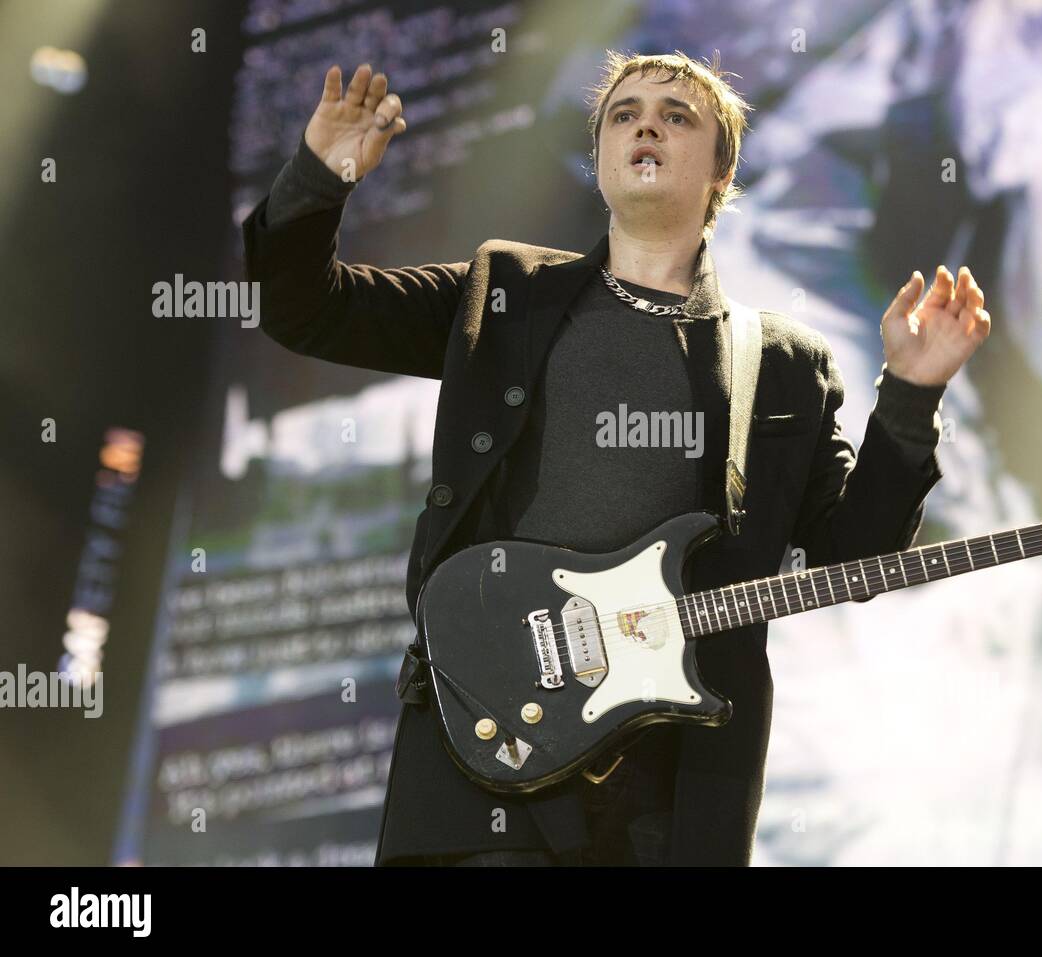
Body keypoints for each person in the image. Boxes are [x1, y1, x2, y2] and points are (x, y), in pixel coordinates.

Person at [241, 50, 991, 866]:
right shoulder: (504, 294)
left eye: (677, 116)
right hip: (484, 754)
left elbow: (860, 554)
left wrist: (912, 396)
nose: (646, 125)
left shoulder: (781, 363)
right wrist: (321, 178)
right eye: (625, 113)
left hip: (667, 793)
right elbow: (306, 311)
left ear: (721, 171)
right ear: (601, 157)